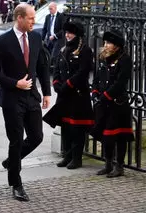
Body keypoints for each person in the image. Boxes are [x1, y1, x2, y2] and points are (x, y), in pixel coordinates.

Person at [0, 3, 51, 202]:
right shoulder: (3, 41)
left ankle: (11, 163)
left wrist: (47, 93)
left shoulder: (35, 37)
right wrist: (15, 83)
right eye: (31, 18)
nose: (34, 21)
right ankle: (16, 183)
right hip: (11, 99)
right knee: (16, 141)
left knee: (37, 136)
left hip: (31, 96)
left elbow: (42, 66)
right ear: (20, 18)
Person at [43, 21, 94, 169]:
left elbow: (83, 71)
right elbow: (57, 67)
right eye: (66, 32)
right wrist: (57, 83)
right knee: (65, 126)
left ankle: (77, 158)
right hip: (64, 95)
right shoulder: (64, 49)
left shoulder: (85, 50)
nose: (67, 35)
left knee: (77, 128)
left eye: (70, 33)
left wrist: (68, 84)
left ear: (77, 34)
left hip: (78, 94)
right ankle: (67, 155)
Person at [90, 28, 134, 178]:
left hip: (118, 104)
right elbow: (98, 78)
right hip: (104, 104)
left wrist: (106, 96)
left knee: (120, 137)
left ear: (116, 45)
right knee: (105, 136)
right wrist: (95, 92)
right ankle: (108, 164)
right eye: (106, 42)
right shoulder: (104, 58)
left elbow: (120, 83)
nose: (106, 44)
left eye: (109, 42)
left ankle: (119, 166)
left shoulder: (125, 59)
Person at [41, 2, 65, 71]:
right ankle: (50, 70)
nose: (50, 10)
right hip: (50, 40)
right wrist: (42, 39)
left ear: (55, 8)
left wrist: (55, 36)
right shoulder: (47, 17)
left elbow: (63, 29)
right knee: (47, 55)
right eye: (49, 9)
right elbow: (44, 29)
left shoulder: (60, 16)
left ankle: (56, 70)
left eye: (51, 9)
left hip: (58, 39)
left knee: (54, 55)